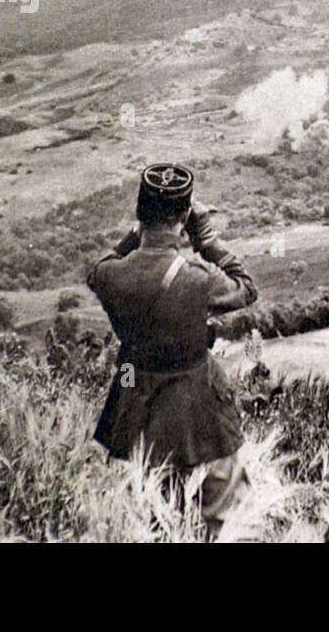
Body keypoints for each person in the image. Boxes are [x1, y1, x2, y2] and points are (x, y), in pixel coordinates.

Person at [87, 163, 257, 533]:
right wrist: (207, 239)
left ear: (139, 214)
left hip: (135, 405)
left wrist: (137, 236)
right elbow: (246, 287)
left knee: (153, 517)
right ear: (184, 216)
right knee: (227, 517)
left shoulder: (109, 276)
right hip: (199, 408)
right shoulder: (198, 279)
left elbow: (99, 266)